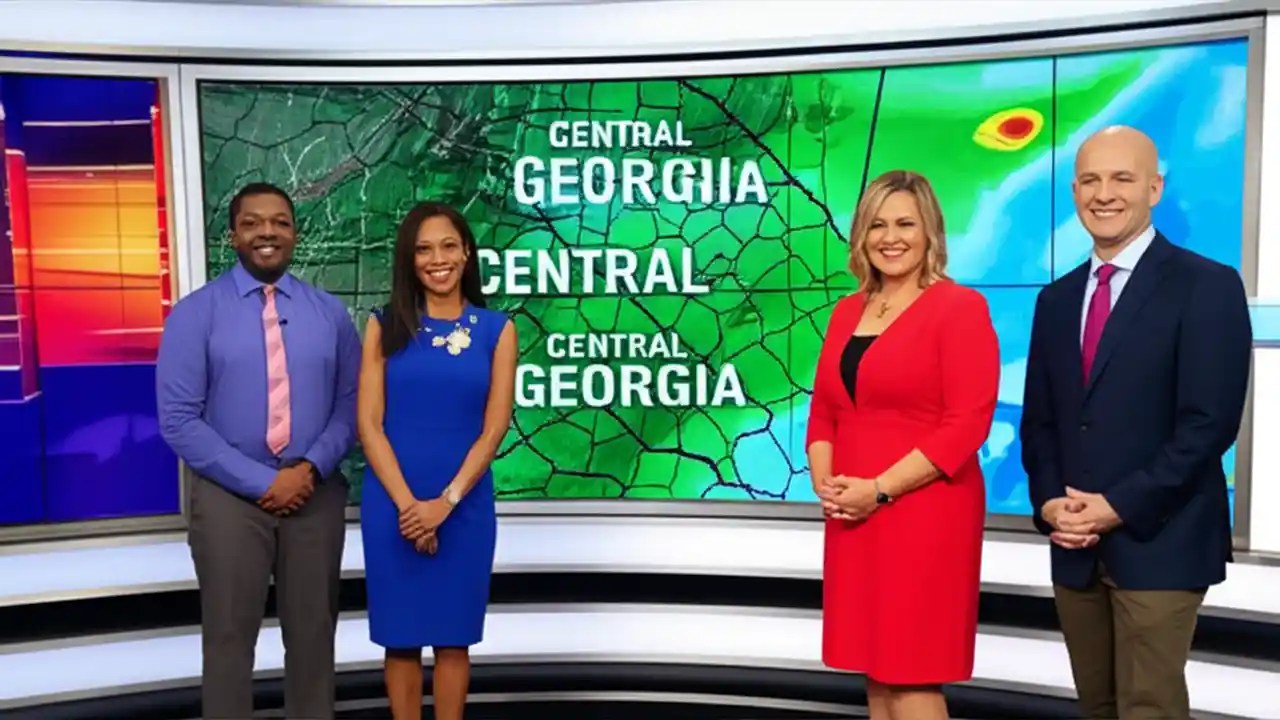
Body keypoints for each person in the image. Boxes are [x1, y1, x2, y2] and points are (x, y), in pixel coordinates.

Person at [1021, 125, 1252, 720]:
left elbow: (1208, 425)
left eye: (1122, 178)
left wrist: (1117, 506)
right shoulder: (1055, 300)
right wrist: (1050, 504)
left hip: (1162, 542)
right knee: (1096, 707)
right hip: (1075, 547)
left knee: (1149, 708)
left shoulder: (1207, 285)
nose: (1105, 194)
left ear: (1154, 188)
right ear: (1074, 191)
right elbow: (1041, 423)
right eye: (1090, 180)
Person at [156, 182, 360, 720]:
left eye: (279, 222)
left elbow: (352, 404)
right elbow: (179, 420)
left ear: (294, 233)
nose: (267, 232)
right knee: (228, 639)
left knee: (314, 637)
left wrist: (309, 468)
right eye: (252, 223)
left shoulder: (330, 315)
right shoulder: (194, 315)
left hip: (314, 494)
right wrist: (263, 481)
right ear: (232, 236)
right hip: (228, 498)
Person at [807, 170, 1000, 720]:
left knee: (910, 672)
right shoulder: (848, 311)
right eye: (877, 225)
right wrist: (828, 484)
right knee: (877, 671)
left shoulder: (959, 308)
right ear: (861, 235)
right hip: (853, 512)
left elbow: (966, 424)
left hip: (923, 511)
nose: (890, 238)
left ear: (930, 231)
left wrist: (879, 490)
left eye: (905, 224)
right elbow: (825, 411)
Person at [357, 201, 516, 720]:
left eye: (448, 246)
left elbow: (494, 429)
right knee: (400, 639)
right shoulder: (383, 326)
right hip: (393, 504)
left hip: (463, 505)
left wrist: (444, 504)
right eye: (424, 249)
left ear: (467, 252)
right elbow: (369, 425)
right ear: (410, 259)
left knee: (453, 639)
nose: (438, 259)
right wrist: (411, 509)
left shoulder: (497, 330)